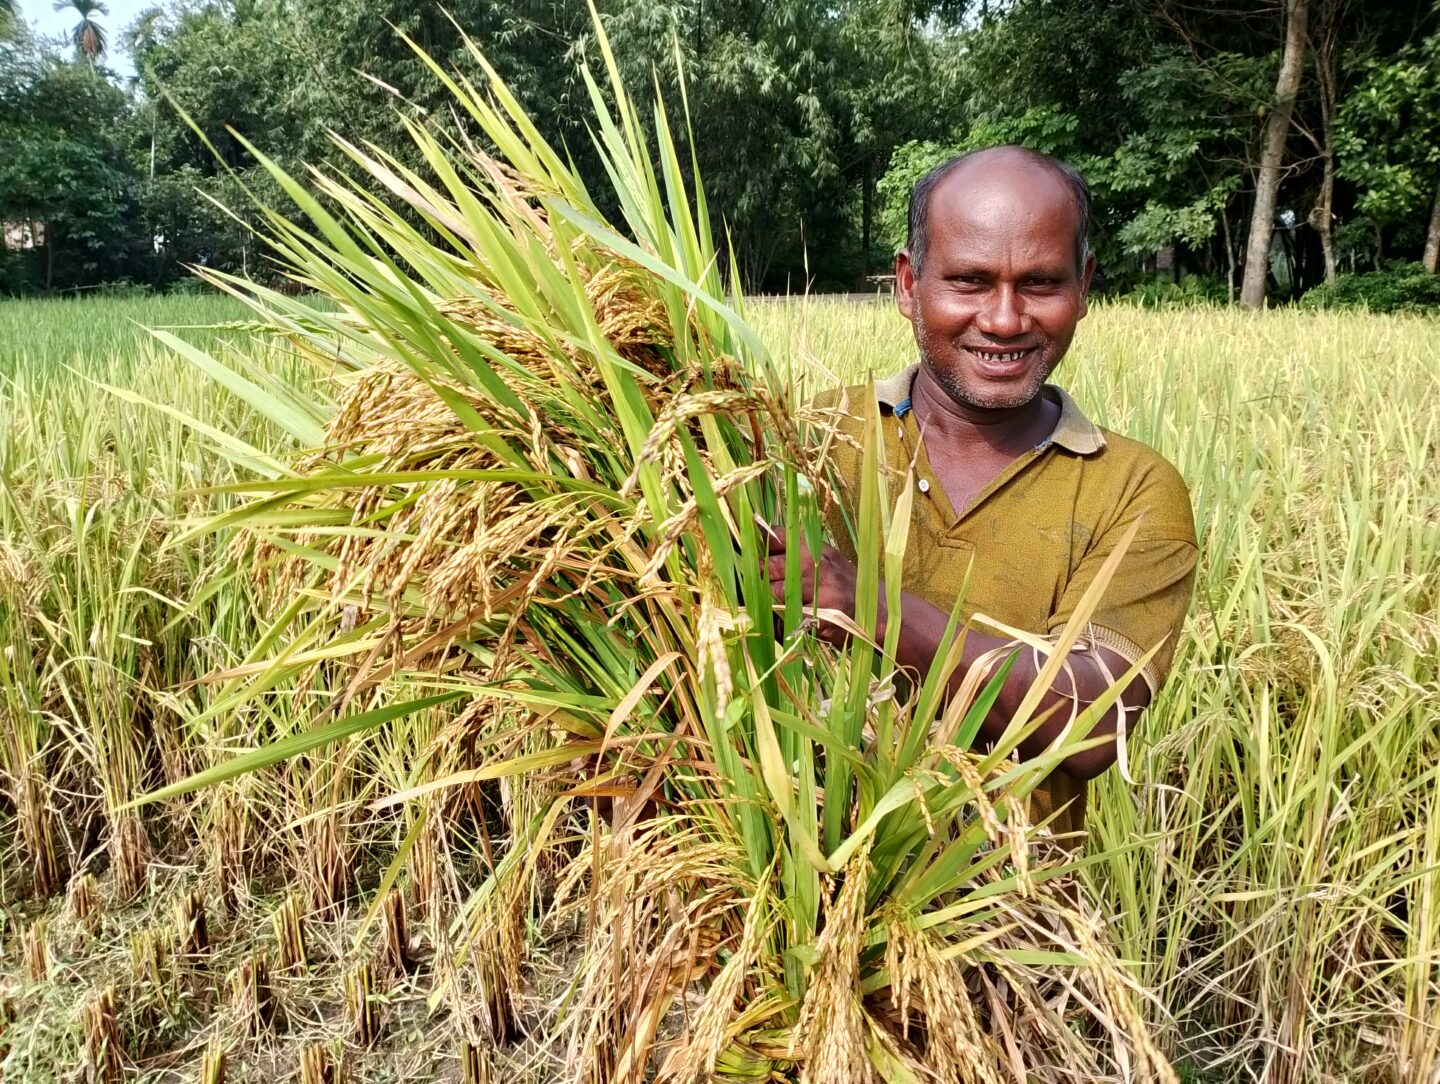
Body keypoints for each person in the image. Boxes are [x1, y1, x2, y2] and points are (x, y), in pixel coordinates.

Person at [766, 146, 1198, 841]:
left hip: (1016, 933)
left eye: (1040, 283)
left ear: (1084, 285)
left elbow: (1091, 725)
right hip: (789, 895)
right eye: (968, 281)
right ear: (909, 284)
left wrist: (875, 609)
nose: (1003, 320)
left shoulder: (1133, 489)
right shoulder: (808, 439)